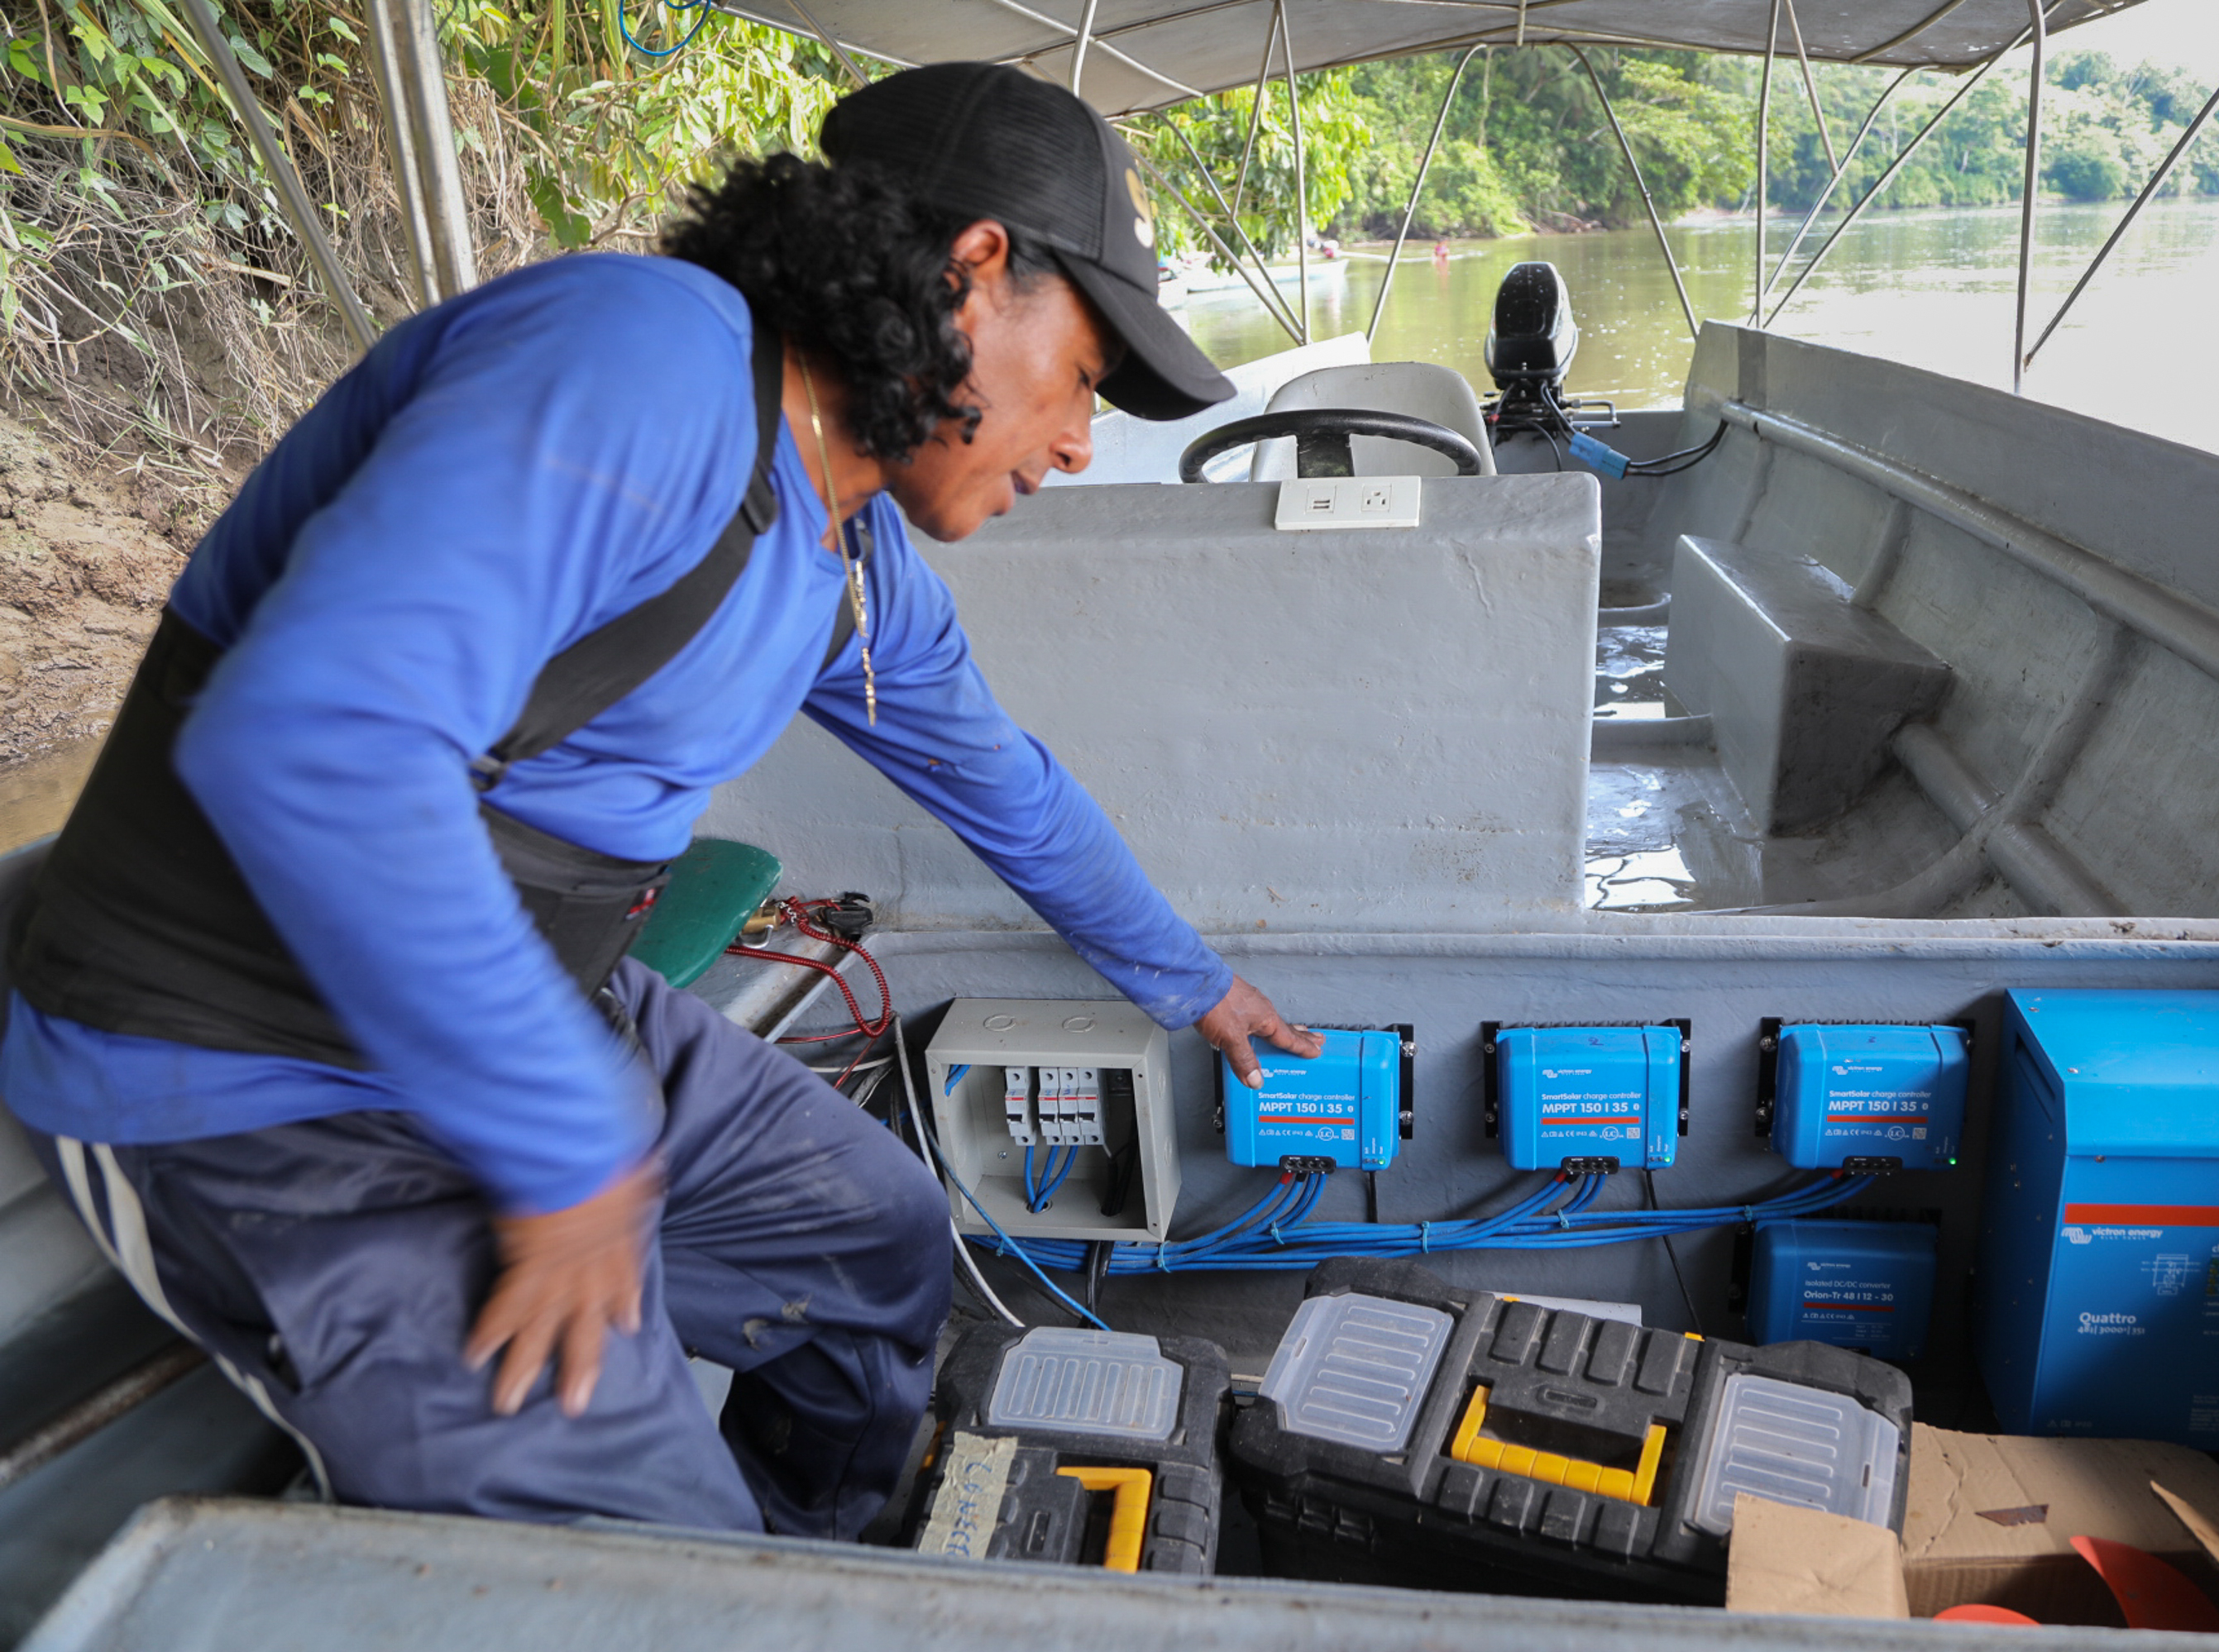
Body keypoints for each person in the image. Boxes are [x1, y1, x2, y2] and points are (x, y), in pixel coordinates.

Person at [0, 62, 1319, 1539]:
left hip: (534, 1005)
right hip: (255, 1072)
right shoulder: (645, 357)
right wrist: (569, 1151)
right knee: (645, 1559)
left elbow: (1006, 784)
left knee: (881, 1236)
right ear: (971, 270)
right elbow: (315, 738)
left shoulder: (853, 550)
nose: (1079, 440)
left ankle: (811, 1562)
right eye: (1082, 374)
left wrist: (1197, 984)